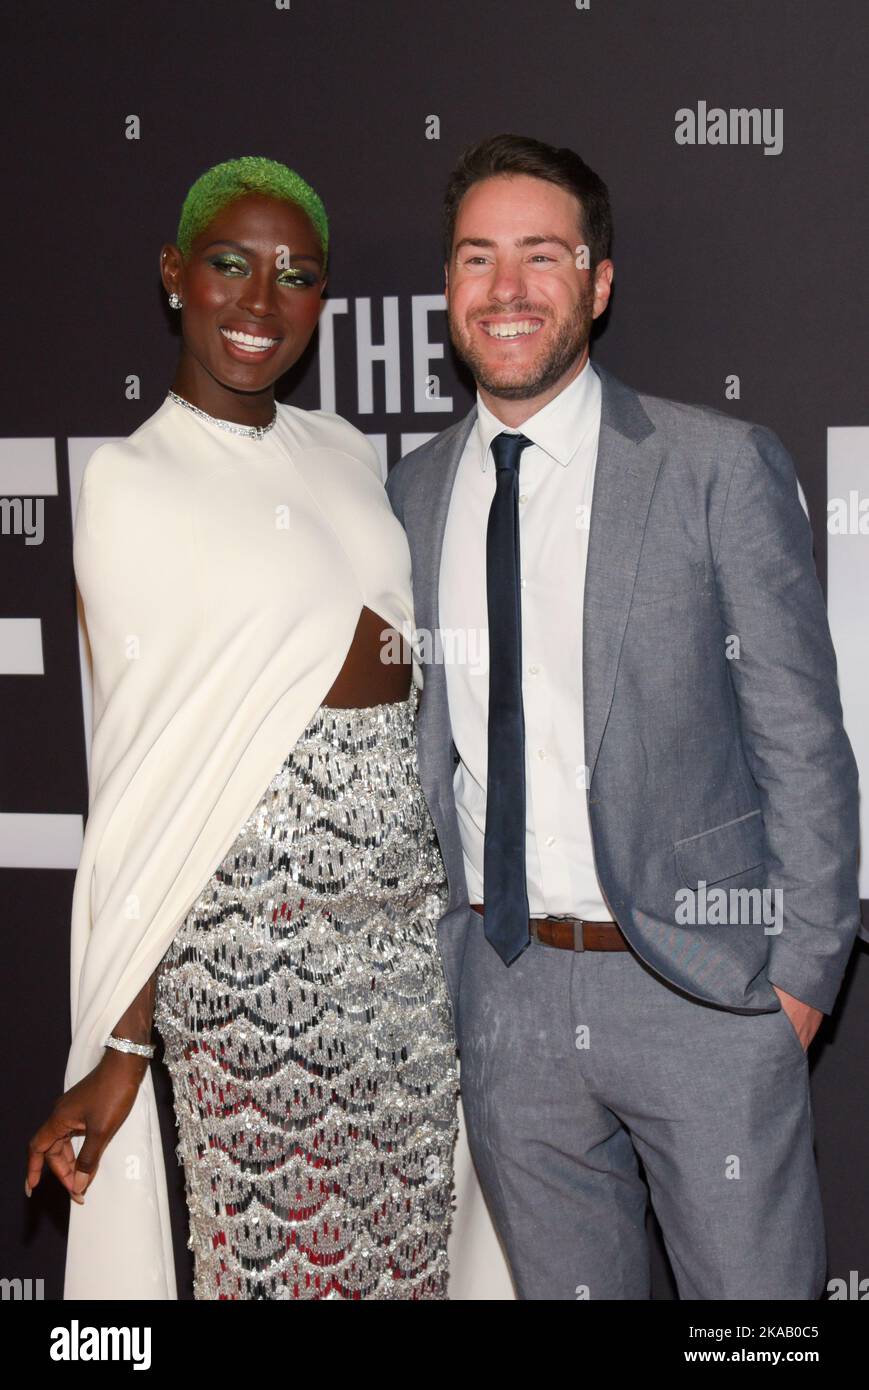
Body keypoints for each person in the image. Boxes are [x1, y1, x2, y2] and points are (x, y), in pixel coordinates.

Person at [384, 132, 863, 1300]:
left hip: (702, 994)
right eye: (476, 258)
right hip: (505, 996)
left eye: (541, 257)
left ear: (597, 283)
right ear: (446, 288)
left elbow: (802, 738)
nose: (505, 290)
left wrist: (794, 982)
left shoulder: (711, 467)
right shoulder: (406, 494)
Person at [25, 156, 459, 1301]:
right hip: (252, 964)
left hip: (404, 964)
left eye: (295, 275)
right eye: (229, 263)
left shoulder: (344, 452)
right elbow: (138, 777)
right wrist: (123, 1044)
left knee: (408, 1265)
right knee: (284, 1269)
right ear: (174, 275)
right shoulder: (131, 481)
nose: (260, 303)